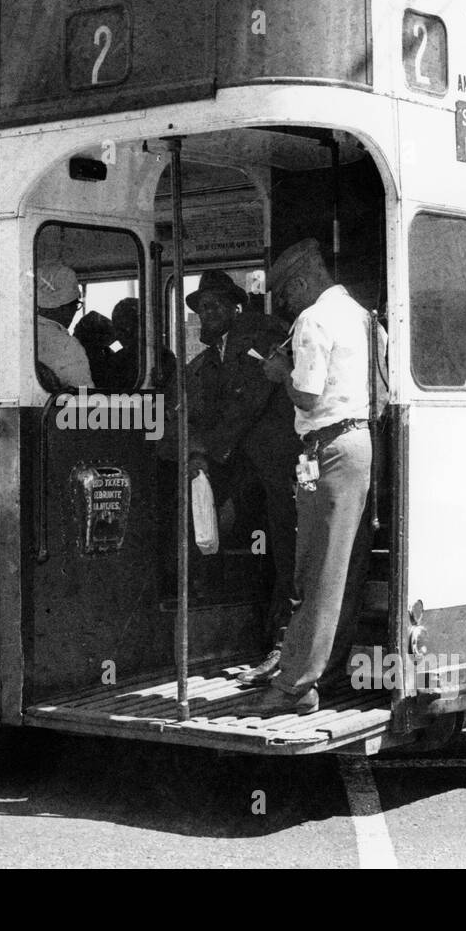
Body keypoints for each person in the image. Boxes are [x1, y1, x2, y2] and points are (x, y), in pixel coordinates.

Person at [247, 238, 386, 716]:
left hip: (324, 447)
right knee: (345, 568)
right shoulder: (362, 315)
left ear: (304, 282)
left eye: (286, 294)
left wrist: (278, 371)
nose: (285, 306)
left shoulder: (313, 320)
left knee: (314, 572)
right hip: (361, 442)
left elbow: (306, 395)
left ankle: (295, 687)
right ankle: (324, 670)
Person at [184, 270, 300, 648]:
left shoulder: (258, 337)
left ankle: (284, 642)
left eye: (215, 305)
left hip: (277, 464)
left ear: (237, 306)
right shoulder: (215, 352)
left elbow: (245, 402)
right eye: (202, 307)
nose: (207, 314)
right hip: (249, 466)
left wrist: (206, 450)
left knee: (285, 551)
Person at [34, 263, 92, 389]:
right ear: (64, 306)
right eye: (76, 305)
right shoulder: (66, 346)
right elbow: (84, 400)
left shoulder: (15, 336)